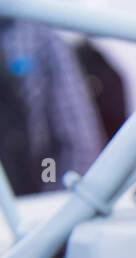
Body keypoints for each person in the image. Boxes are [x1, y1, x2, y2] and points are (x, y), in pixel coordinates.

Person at [0, 17, 105, 195]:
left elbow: (77, 136)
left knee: (48, 164)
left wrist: (54, 199)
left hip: (36, 183)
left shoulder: (37, 34)